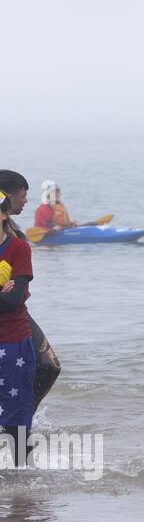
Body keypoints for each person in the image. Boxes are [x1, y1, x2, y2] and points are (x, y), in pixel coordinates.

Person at [0, 171, 60, 412]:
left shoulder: (14, 234)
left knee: (49, 367)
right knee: (48, 366)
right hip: (10, 310)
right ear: (8, 195)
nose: (26, 201)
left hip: (16, 307)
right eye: (23, 196)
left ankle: (18, 415)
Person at [0, 189, 37, 460]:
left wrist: (8, 293)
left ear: (3, 214)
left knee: (17, 413)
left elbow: (13, 301)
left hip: (12, 342)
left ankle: (22, 480)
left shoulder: (18, 248)